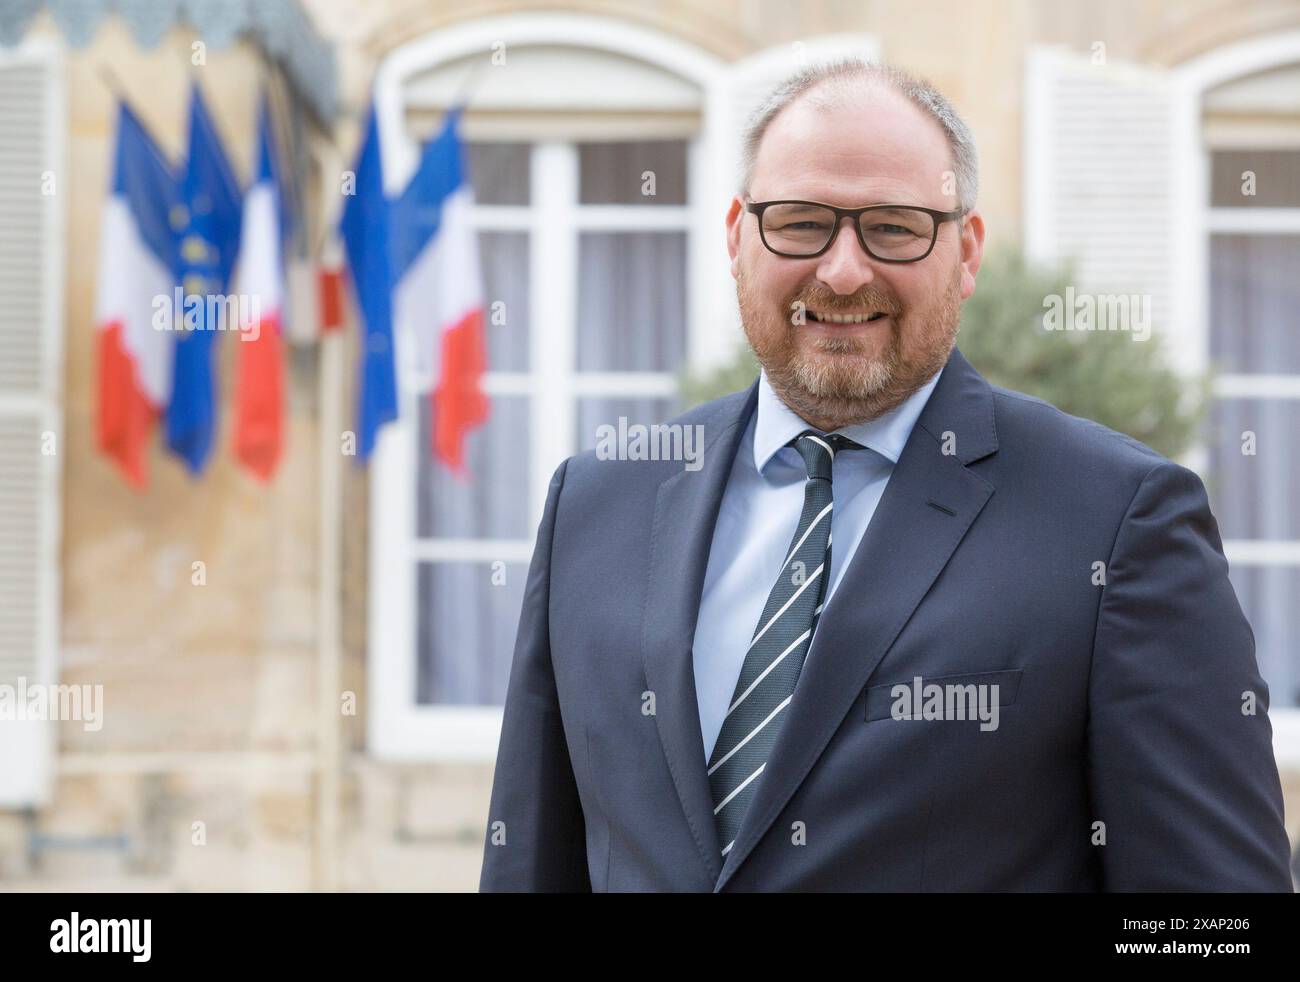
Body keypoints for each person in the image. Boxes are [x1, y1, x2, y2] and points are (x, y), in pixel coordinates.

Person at [479, 58, 1295, 892]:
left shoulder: (1117, 523)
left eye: (894, 228)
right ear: (736, 237)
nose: (841, 271)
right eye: (799, 222)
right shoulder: (595, 504)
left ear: (965, 252)